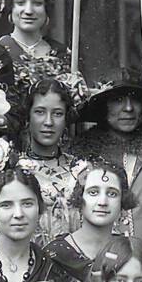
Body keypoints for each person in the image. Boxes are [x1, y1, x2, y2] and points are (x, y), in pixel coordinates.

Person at [75, 70, 142, 240]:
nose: (128, 108)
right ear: (104, 106)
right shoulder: (84, 155)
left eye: (135, 100)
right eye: (118, 100)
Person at [43, 160, 131, 282]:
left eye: (112, 193)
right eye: (93, 192)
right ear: (78, 197)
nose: (102, 202)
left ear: (122, 201)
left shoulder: (130, 251)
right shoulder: (54, 255)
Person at [22, 77, 86, 242]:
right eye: (40, 112)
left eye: (57, 114)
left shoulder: (80, 170)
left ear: (66, 119)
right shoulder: (11, 169)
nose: (48, 122)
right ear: (28, 117)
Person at [0, 0, 71, 87]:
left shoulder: (62, 53)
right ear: (10, 8)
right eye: (20, 3)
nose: (29, 11)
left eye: (37, 3)